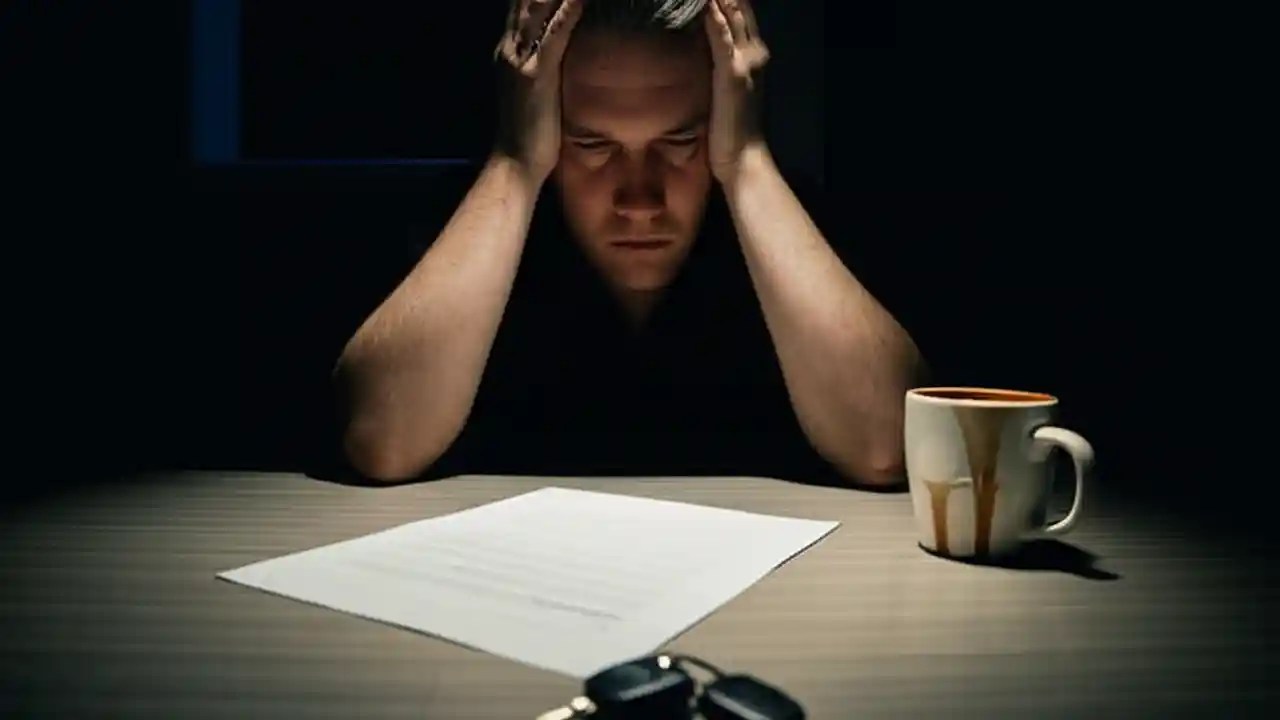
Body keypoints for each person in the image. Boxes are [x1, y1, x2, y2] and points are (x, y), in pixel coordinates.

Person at [331, 0, 928, 488]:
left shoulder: (785, 223)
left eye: (679, 143)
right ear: (542, 121)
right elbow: (382, 442)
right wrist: (514, 164)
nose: (639, 200)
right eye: (593, 147)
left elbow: (887, 447)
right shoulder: (474, 222)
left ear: (726, 114)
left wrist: (747, 159)